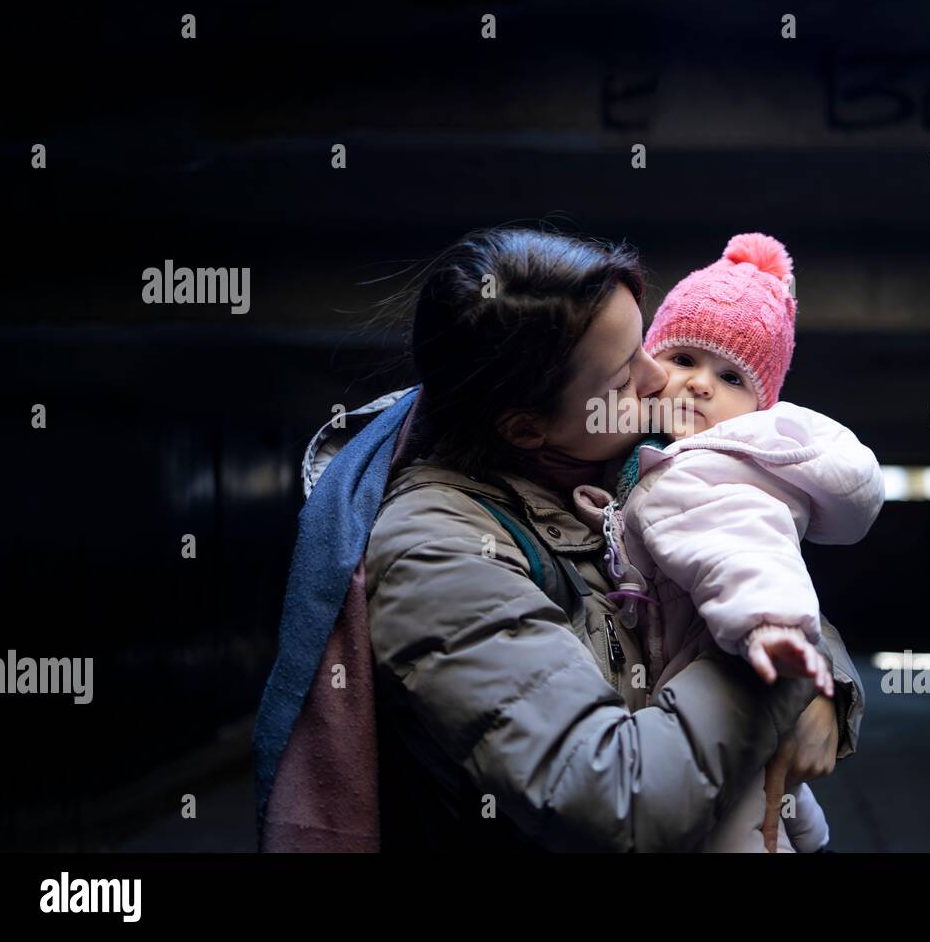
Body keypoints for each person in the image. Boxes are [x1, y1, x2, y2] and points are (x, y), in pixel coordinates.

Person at [358, 225, 865, 851]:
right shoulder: (436, 549)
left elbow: (747, 555)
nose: (663, 379)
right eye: (627, 373)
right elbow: (617, 798)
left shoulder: (628, 459)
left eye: (645, 343)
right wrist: (784, 682)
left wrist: (829, 678)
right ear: (526, 428)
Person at [572, 233, 885, 851]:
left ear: (761, 409)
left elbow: (749, 553)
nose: (698, 385)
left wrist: (777, 631)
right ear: (645, 363)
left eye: (731, 376)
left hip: (720, 679)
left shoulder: (704, 471)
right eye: (682, 358)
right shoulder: (644, 455)